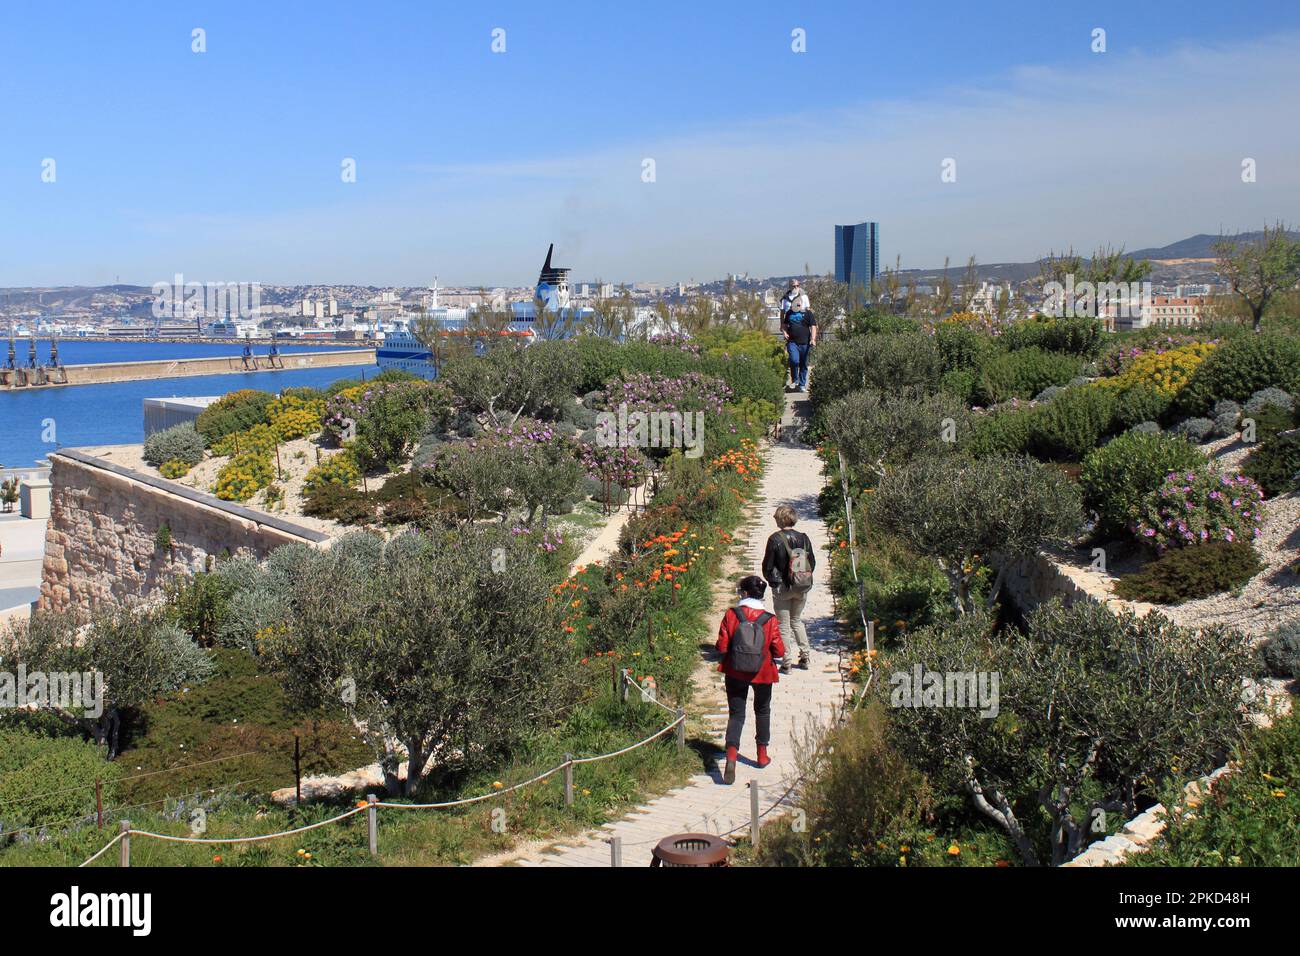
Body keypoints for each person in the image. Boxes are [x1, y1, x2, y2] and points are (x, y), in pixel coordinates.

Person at [714, 575, 785, 785]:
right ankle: (762, 755)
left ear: (744, 593)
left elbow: (722, 647)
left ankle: (731, 757)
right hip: (763, 672)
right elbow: (779, 651)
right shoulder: (770, 619)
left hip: (735, 670)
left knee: (736, 714)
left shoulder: (731, 614)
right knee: (762, 711)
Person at [762, 504, 815, 673]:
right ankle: (805, 656)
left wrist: (773, 582)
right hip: (801, 586)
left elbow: (768, 566)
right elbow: (811, 562)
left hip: (782, 587)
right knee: (797, 621)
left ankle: (786, 662)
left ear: (780, 519)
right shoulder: (804, 538)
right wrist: (801, 578)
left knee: (783, 625)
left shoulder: (775, 539)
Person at [780, 279, 817, 392]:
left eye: (797, 285)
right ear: (790, 286)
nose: (795, 287)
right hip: (792, 340)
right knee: (794, 360)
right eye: (793, 286)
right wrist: (784, 330)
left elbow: (813, 324)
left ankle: (801, 384)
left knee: (804, 363)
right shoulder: (786, 301)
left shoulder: (805, 302)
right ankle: (795, 380)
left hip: (805, 340)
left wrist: (813, 338)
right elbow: (783, 316)